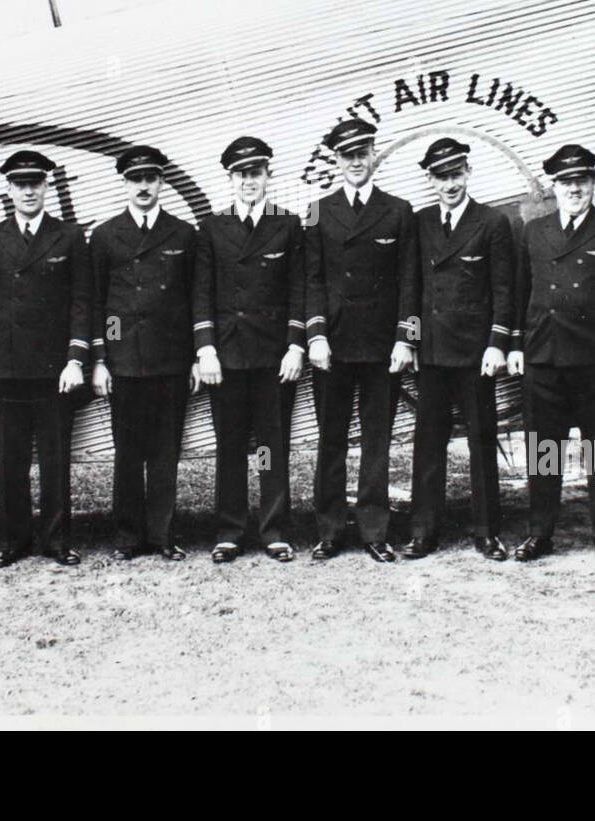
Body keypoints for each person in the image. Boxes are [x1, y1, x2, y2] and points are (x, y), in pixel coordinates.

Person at [507, 144, 595, 566]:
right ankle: (541, 533)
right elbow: (519, 292)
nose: (574, 189)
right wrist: (515, 346)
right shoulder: (534, 231)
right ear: (554, 186)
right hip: (544, 357)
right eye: (566, 182)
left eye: (581, 181)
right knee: (544, 449)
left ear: (593, 183)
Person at [305, 117, 419, 562]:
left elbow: (409, 281)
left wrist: (405, 339)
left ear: (374, 155)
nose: (356, 161)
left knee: (377, 439)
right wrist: (315, 334)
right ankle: (329, 530)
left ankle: (374, 530)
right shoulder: (317, 210)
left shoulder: (399, 210)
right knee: (331, 438)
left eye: (362, 153)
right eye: (347, 155)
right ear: (336, 160)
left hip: (380, 346)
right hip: (332, 345)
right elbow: (312, 279)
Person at [0, 150, 90, 568]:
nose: (28, 191)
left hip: (54, 370)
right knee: (11, 460)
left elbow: (81, 301)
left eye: (35, 184)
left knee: (55, 459)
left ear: (46, 188)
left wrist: (75, 359)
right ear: (8, 189)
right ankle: (13, 541)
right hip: (6, 369)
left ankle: (57, 541)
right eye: (20, 184)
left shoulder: (70, 236)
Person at [193, 136, 305, 563]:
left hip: (275, 357)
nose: (248, 181)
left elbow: (299, 290)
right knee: (231, 444)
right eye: (241, 174)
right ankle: (229, 531)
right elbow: (201, 293)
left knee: (272, 445)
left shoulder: (289, 224)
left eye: (255, 173)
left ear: (268, 176)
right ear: (230, 179)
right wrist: (205, 349)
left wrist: (295, 346)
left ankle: (274, 530)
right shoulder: (212, 227)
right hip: (226, 356)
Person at [403, 137, 514, 561]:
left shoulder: (492, 222)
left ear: (468, 173)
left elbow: (503, 289)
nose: (450, 184)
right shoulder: (421, 222)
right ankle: (423, 531)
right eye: (440, 176)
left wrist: (497, 342)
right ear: (430, 180)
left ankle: (487, 532)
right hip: (431, 352)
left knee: (482, 441)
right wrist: (410, 339)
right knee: (428, 442)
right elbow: (411, 286)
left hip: (475, 354)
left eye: (456, 174)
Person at [90, 145, 198, 561]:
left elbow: (192, 301)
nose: (144, 187)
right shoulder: (104, 236)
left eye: (151, 179)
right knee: (129, 453)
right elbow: (98, 302)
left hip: (170, 361)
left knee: (165, 452)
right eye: (136, 179)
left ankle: (162, 534)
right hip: (125, 363)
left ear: (161, 183)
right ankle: (128, 537)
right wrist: (102, 359)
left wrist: (191, 357)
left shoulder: (183, 234)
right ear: (125, 183)